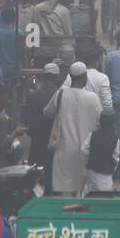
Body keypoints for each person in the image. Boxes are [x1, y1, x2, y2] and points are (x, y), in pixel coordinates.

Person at [45, 62, 105, 195]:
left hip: (64, 149)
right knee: (83, 189)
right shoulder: (93, 98)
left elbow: (47, 112)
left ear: (70, 77)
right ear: (84, 78)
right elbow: (100, 122)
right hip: (86, 151)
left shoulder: (60, 94)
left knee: (66, 190)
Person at [23, 63, 64, 191]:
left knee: (35, 176)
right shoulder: (60, 96)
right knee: (52, 175)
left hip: (37, 140)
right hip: (54, 141)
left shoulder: (33, 95)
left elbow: (26, 119)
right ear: (56, 77)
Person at [26, 0, 76, 65]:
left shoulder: (36, 8)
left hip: (41, 51)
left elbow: (31, 29)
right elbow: (69, 34)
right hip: (58, 53)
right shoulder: (64, 11)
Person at [63, 51, 114, 117]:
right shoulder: (103, 78)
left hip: (72, 117)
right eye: (101, 60)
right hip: (94, 119)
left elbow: (63, 93)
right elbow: (107, 105)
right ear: (96, 62)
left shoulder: (71, 75)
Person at [81, 112, 120, 195]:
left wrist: (92, 155)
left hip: (91, 170)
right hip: (106, 173)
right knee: (103, 197)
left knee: (88, 193)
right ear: (113, 123)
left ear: (100, 122)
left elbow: (83, 149)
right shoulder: (115, 139)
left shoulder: (93, 134)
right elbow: (116, 158)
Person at [0, 4, 20, 82]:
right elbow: (22, 54)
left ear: (2, 18)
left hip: (0, 69)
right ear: (15, 19)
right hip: (15, 69)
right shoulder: (19, 33)